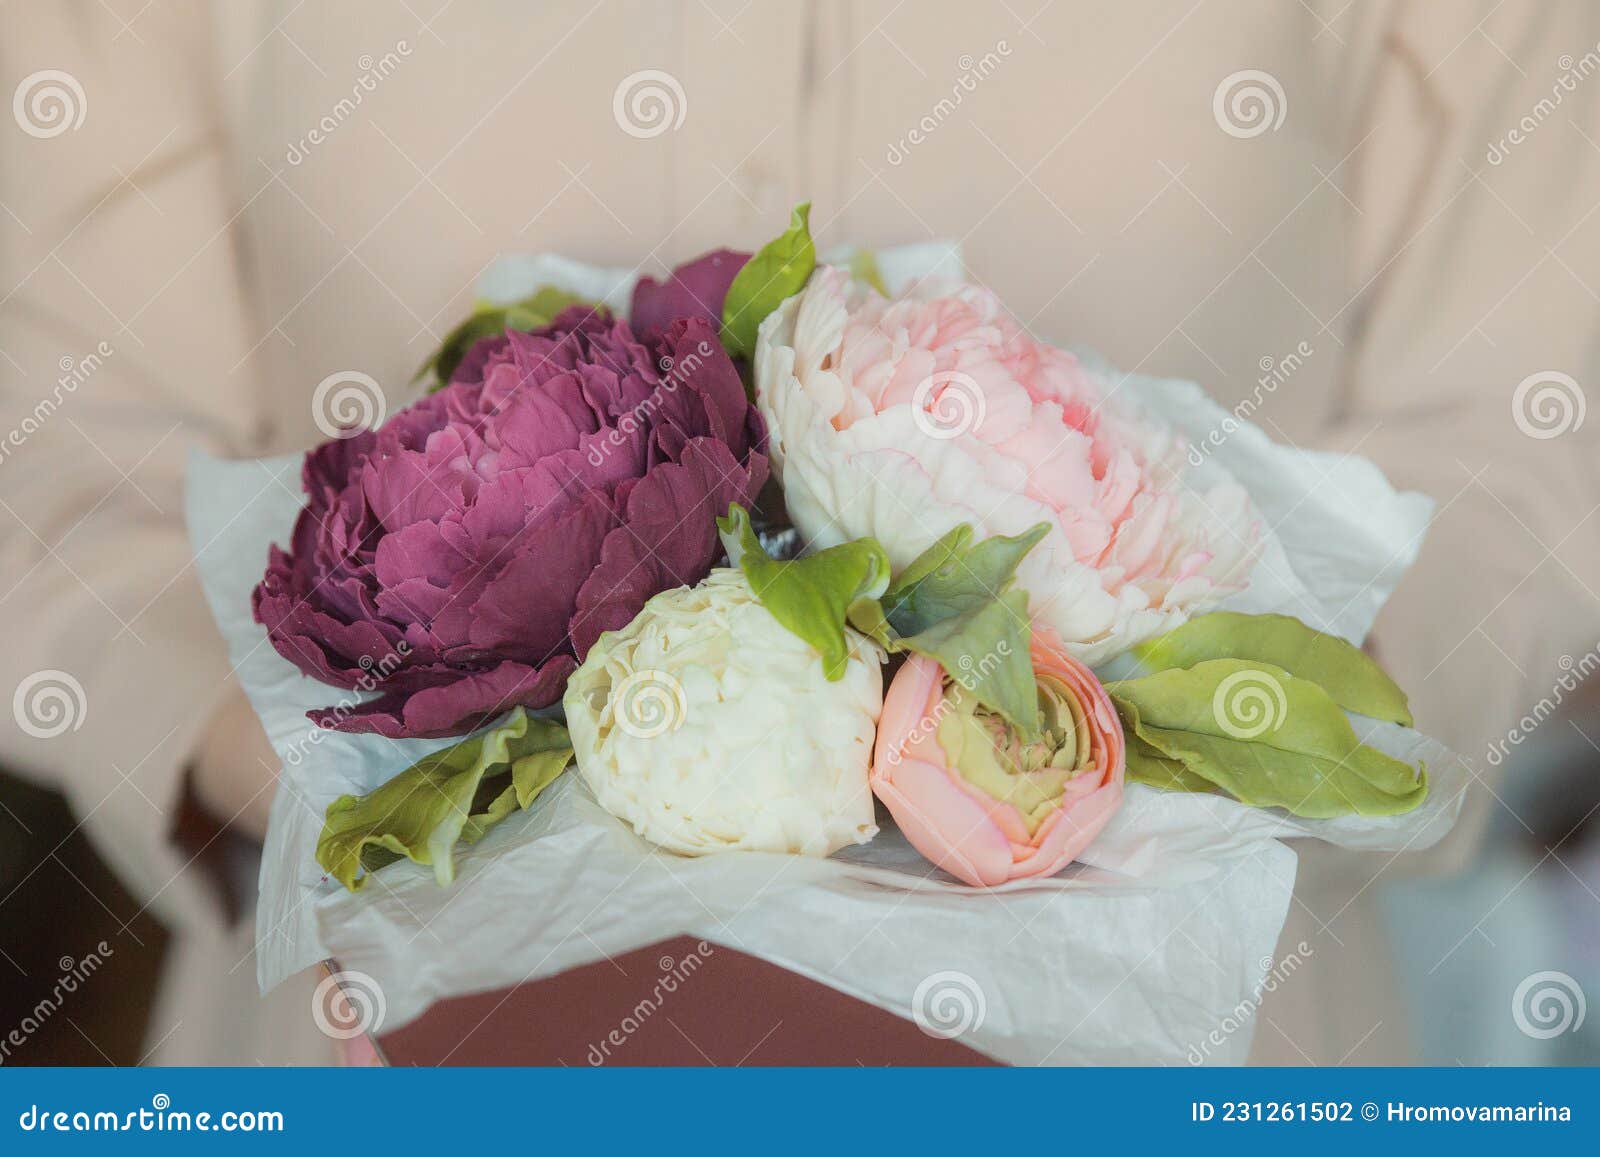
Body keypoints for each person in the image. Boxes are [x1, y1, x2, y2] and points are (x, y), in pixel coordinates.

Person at [3, 0, 1597, 1065]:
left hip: (1213, 1063)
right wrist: (319, 770)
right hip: (381, 1061)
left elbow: (1544, 402)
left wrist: (1227, 726)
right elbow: (57, 427)